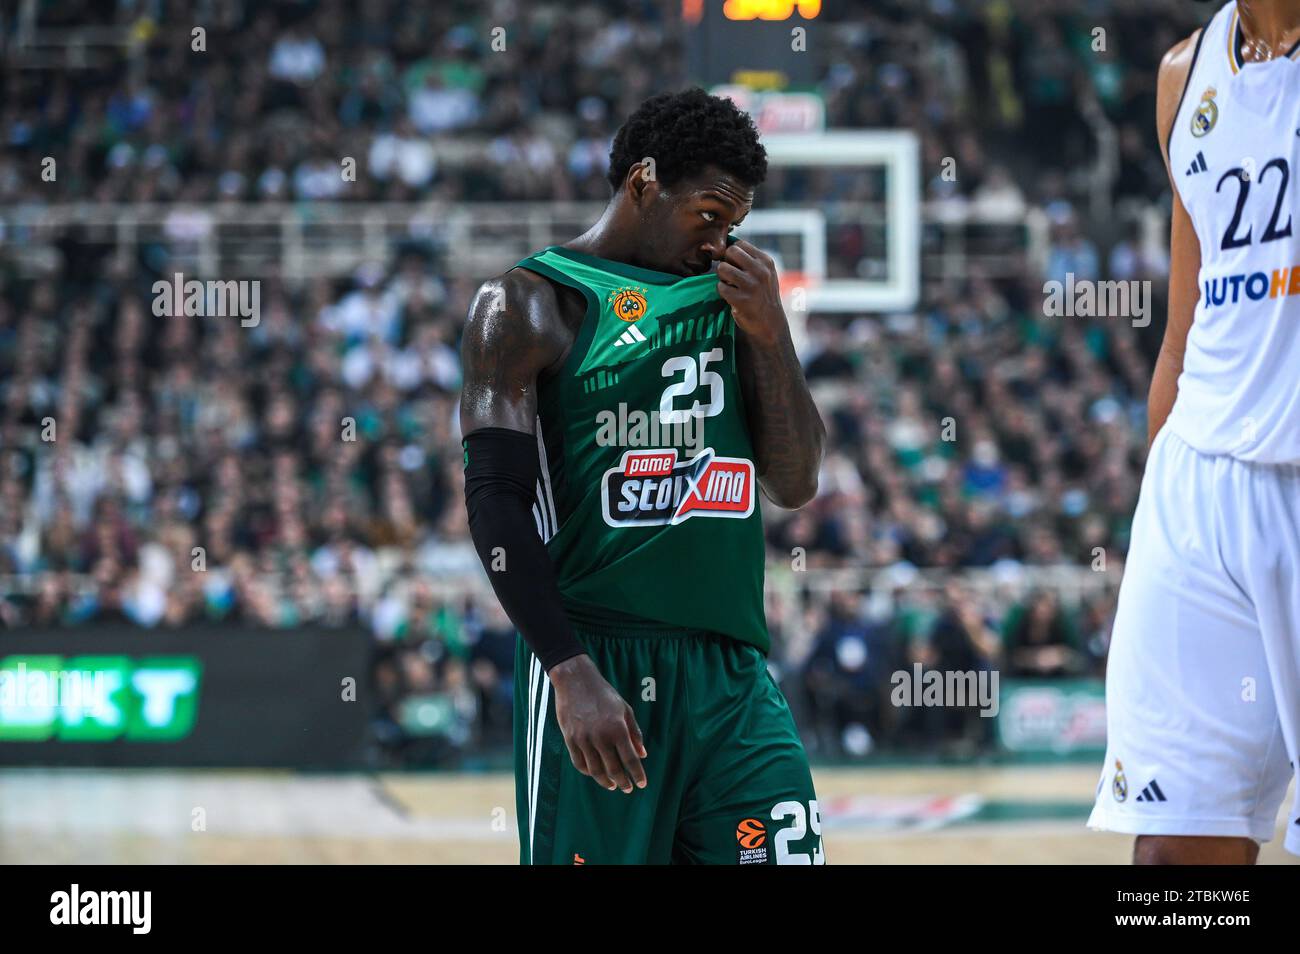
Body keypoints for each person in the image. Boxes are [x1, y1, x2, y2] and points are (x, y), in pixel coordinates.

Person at [459, 88, 827, 864]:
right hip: (601, 662)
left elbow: (794, 483)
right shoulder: (529, 303)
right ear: (642, 182)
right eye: (708, 217)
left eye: (734, 226)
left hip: (731, 675)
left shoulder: (734, 302)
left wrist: (772, 333)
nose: (719, 242)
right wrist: (566, 669)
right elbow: (495, 505)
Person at [1088, 0, 1300, 865]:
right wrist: (1155, 490)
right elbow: (1185, 319)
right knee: (1178, 849)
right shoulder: (1184, 73)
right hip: (1201, 482)